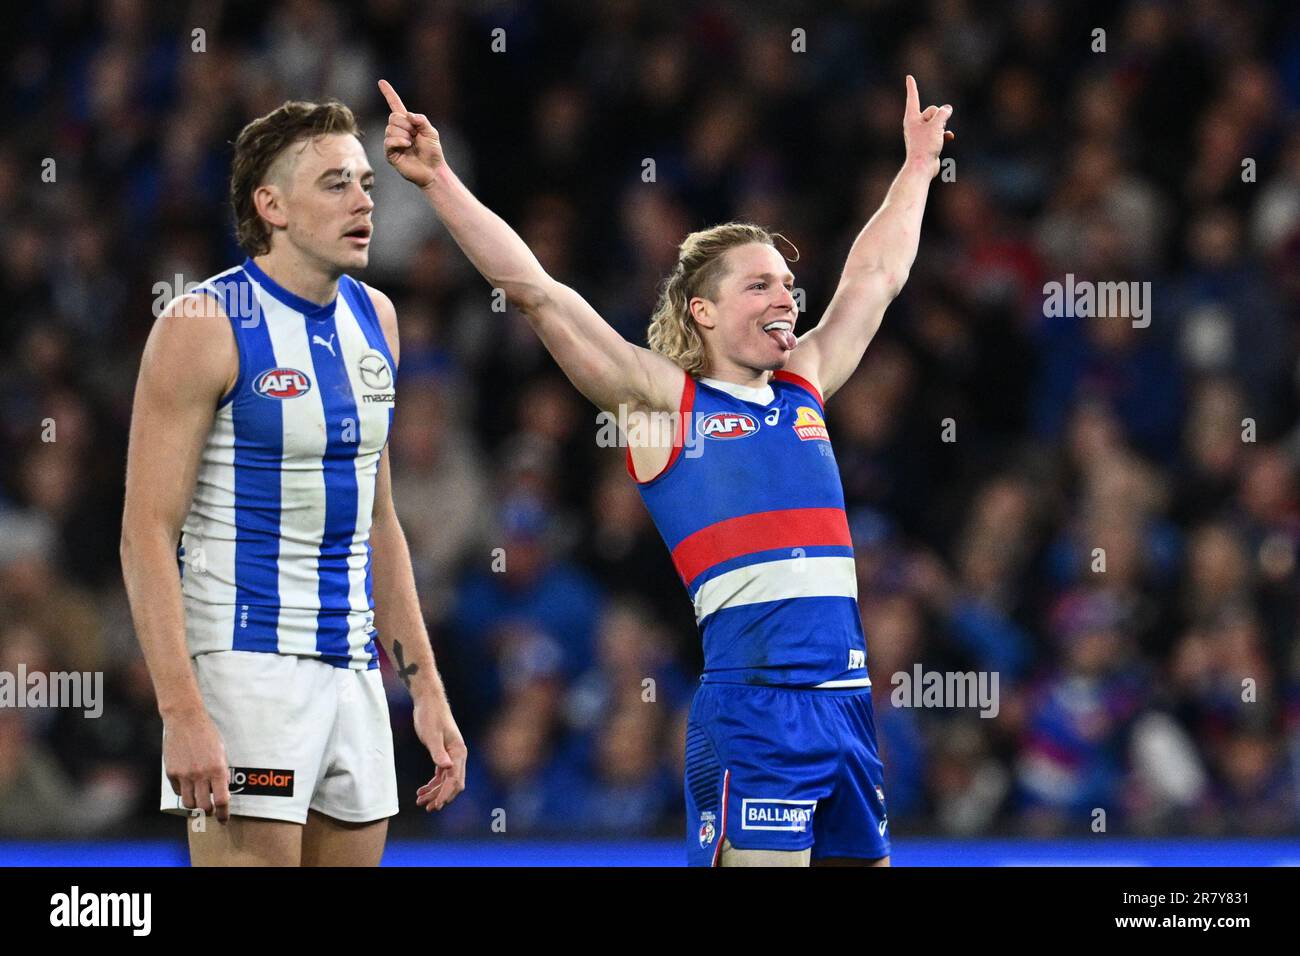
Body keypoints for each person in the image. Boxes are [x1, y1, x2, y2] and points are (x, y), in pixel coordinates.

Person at [379, 76, 952, 865]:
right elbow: (538, 294)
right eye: (760, 283)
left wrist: (916, 170)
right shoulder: (663, 402)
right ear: (702, 312)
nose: (787, 296)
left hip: (848, 710)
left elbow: (875, 278)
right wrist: (439, 181)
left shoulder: (806, 382)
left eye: (788, 284)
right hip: (755, 711)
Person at [120, 99, 467, 866]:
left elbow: (379, 521)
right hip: (246, 670)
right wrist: (179, 710)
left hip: (353, 673)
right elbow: (145, 530)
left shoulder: (378, 318)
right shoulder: (203, 322)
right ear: (270, 206)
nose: (365, 201)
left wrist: (428, 688)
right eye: (336, 184)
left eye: (368, 183)